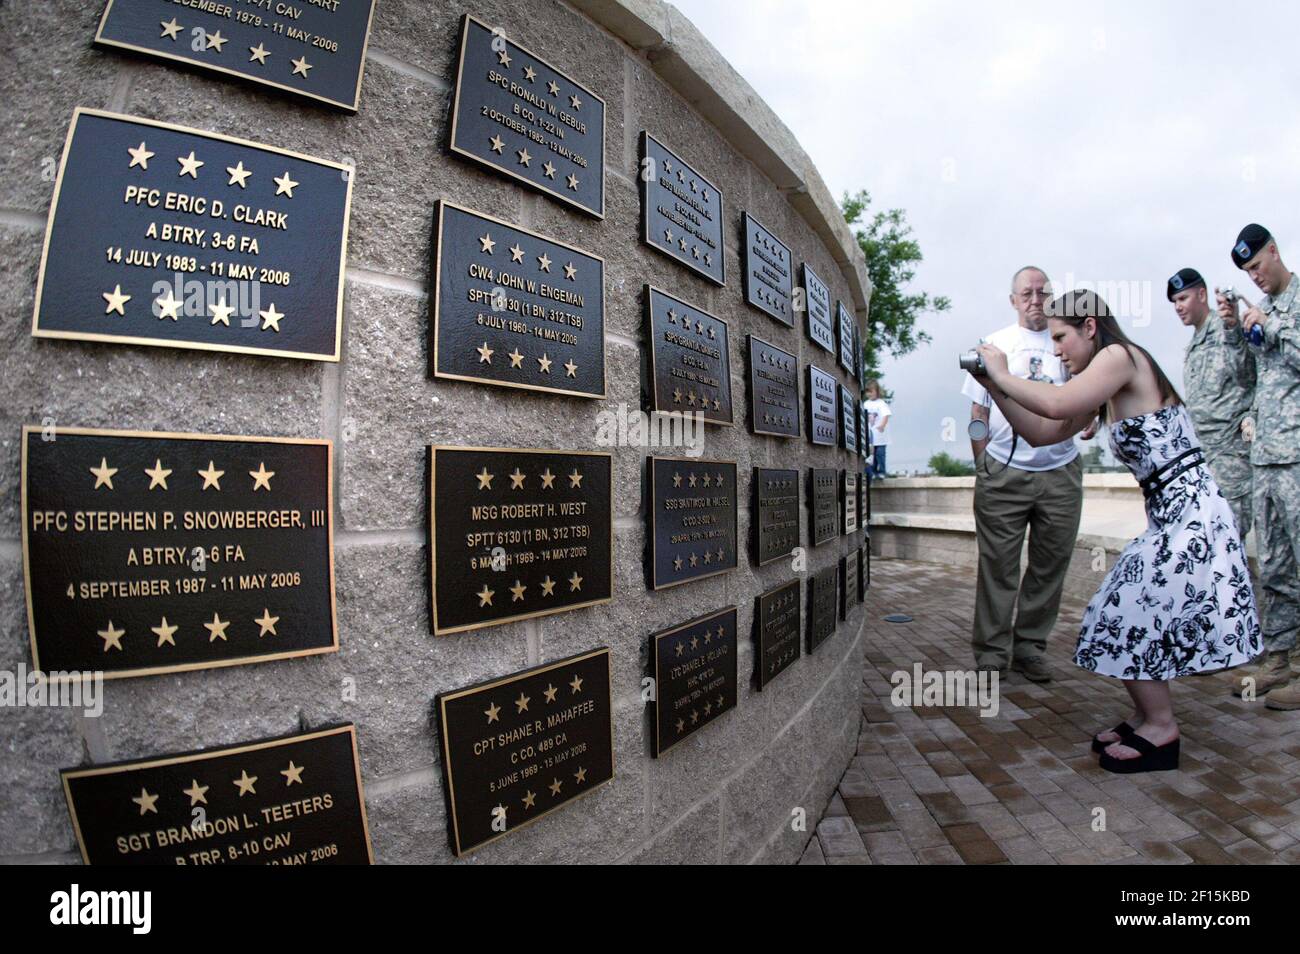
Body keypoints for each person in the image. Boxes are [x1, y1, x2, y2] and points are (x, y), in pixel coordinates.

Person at [972, 289, 1261, 772]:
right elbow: (1045, 431)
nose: (1057, 348)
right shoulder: (1102, 379)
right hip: (1172, 515)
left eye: (1061, 335)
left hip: (1192, 514)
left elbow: (1058, 401)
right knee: (1121, 609)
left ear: (1090, 326)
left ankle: (1162, 728)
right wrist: (993, 385)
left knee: (1126, 609)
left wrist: (1003, 371)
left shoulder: (1118, 356)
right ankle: (1147, 716)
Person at [960, 266, 1089, 682]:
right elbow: (977, 413)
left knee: (1050, 564)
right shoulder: (995, 344)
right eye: (1027, 293)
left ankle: (1030, 647)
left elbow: (1087, 395)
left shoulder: (1066, 340)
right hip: (1004, 470)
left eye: (1042, 292)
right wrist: (982, 462)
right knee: (999, 565)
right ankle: (992, 651)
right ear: (1013, 300)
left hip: (1059, 470)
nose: (1036, 299)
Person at [1215, 225, 1300, 709]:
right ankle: (1281, 657)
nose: (1256, 277)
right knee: (1274, 565)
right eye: (1248, 273)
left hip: (1298, 457)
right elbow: (1243, 377)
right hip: (1265, 457)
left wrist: (1268, 326)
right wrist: (1234, 329)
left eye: (1257, 266)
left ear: (1274, 251)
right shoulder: (1261, 312)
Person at [1169, 267, 1255, 548]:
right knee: (1209, 544)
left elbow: (1247, 374)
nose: (1178, 307)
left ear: (1202, 294)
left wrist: (1232, 327)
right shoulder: (1193, 344)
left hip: (1230, 457)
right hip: (1205, 458)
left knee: (1228, 541)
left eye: (1182, 298)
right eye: (1175, 302)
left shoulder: (1228, 328)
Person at [863, 380, 891, 478]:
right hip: (871, 436)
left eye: (871, 391)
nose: (869, 394)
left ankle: (882, 471)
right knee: (872, 456)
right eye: (867, 392)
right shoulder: (866, 404)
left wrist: (882, 425)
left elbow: (886, 415)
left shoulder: (881, 403)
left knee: (880, 454)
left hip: (880, 436)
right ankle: (874, 472)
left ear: (877, 391)